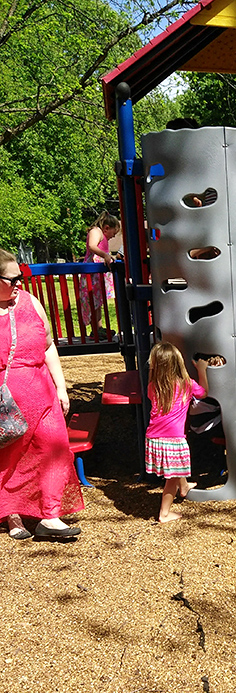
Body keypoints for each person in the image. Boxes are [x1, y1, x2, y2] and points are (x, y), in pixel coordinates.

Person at [0, 249, 83, 540]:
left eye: (20, 277)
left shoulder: (30, 302)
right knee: (9, 458)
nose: (19, 283)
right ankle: (11, 514)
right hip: (5, 404)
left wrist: (61, 386)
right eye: (12, 279)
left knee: (55, 449)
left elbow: (48, 345)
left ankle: (50, 517)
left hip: (43, 394)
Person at [145, 341, 210, 523]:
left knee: (176, 466)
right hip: (172, 439)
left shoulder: (153, 387)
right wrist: (202, 369)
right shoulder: (186, 384)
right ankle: (164, 513)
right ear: (178, 363)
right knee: (171, 478)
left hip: (153, 438)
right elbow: (203, 393)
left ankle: (184, 487)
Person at [79, 212, 120, 339]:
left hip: (98, 275)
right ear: (106, 227)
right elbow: (92, 246)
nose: (113, 237)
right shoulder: (96, 231)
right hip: (91, 273)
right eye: (113, 233)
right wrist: (106, 255)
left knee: (98, 301)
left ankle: (99, 327)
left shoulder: (102, 235)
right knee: (92, 300)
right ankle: (95, 329)